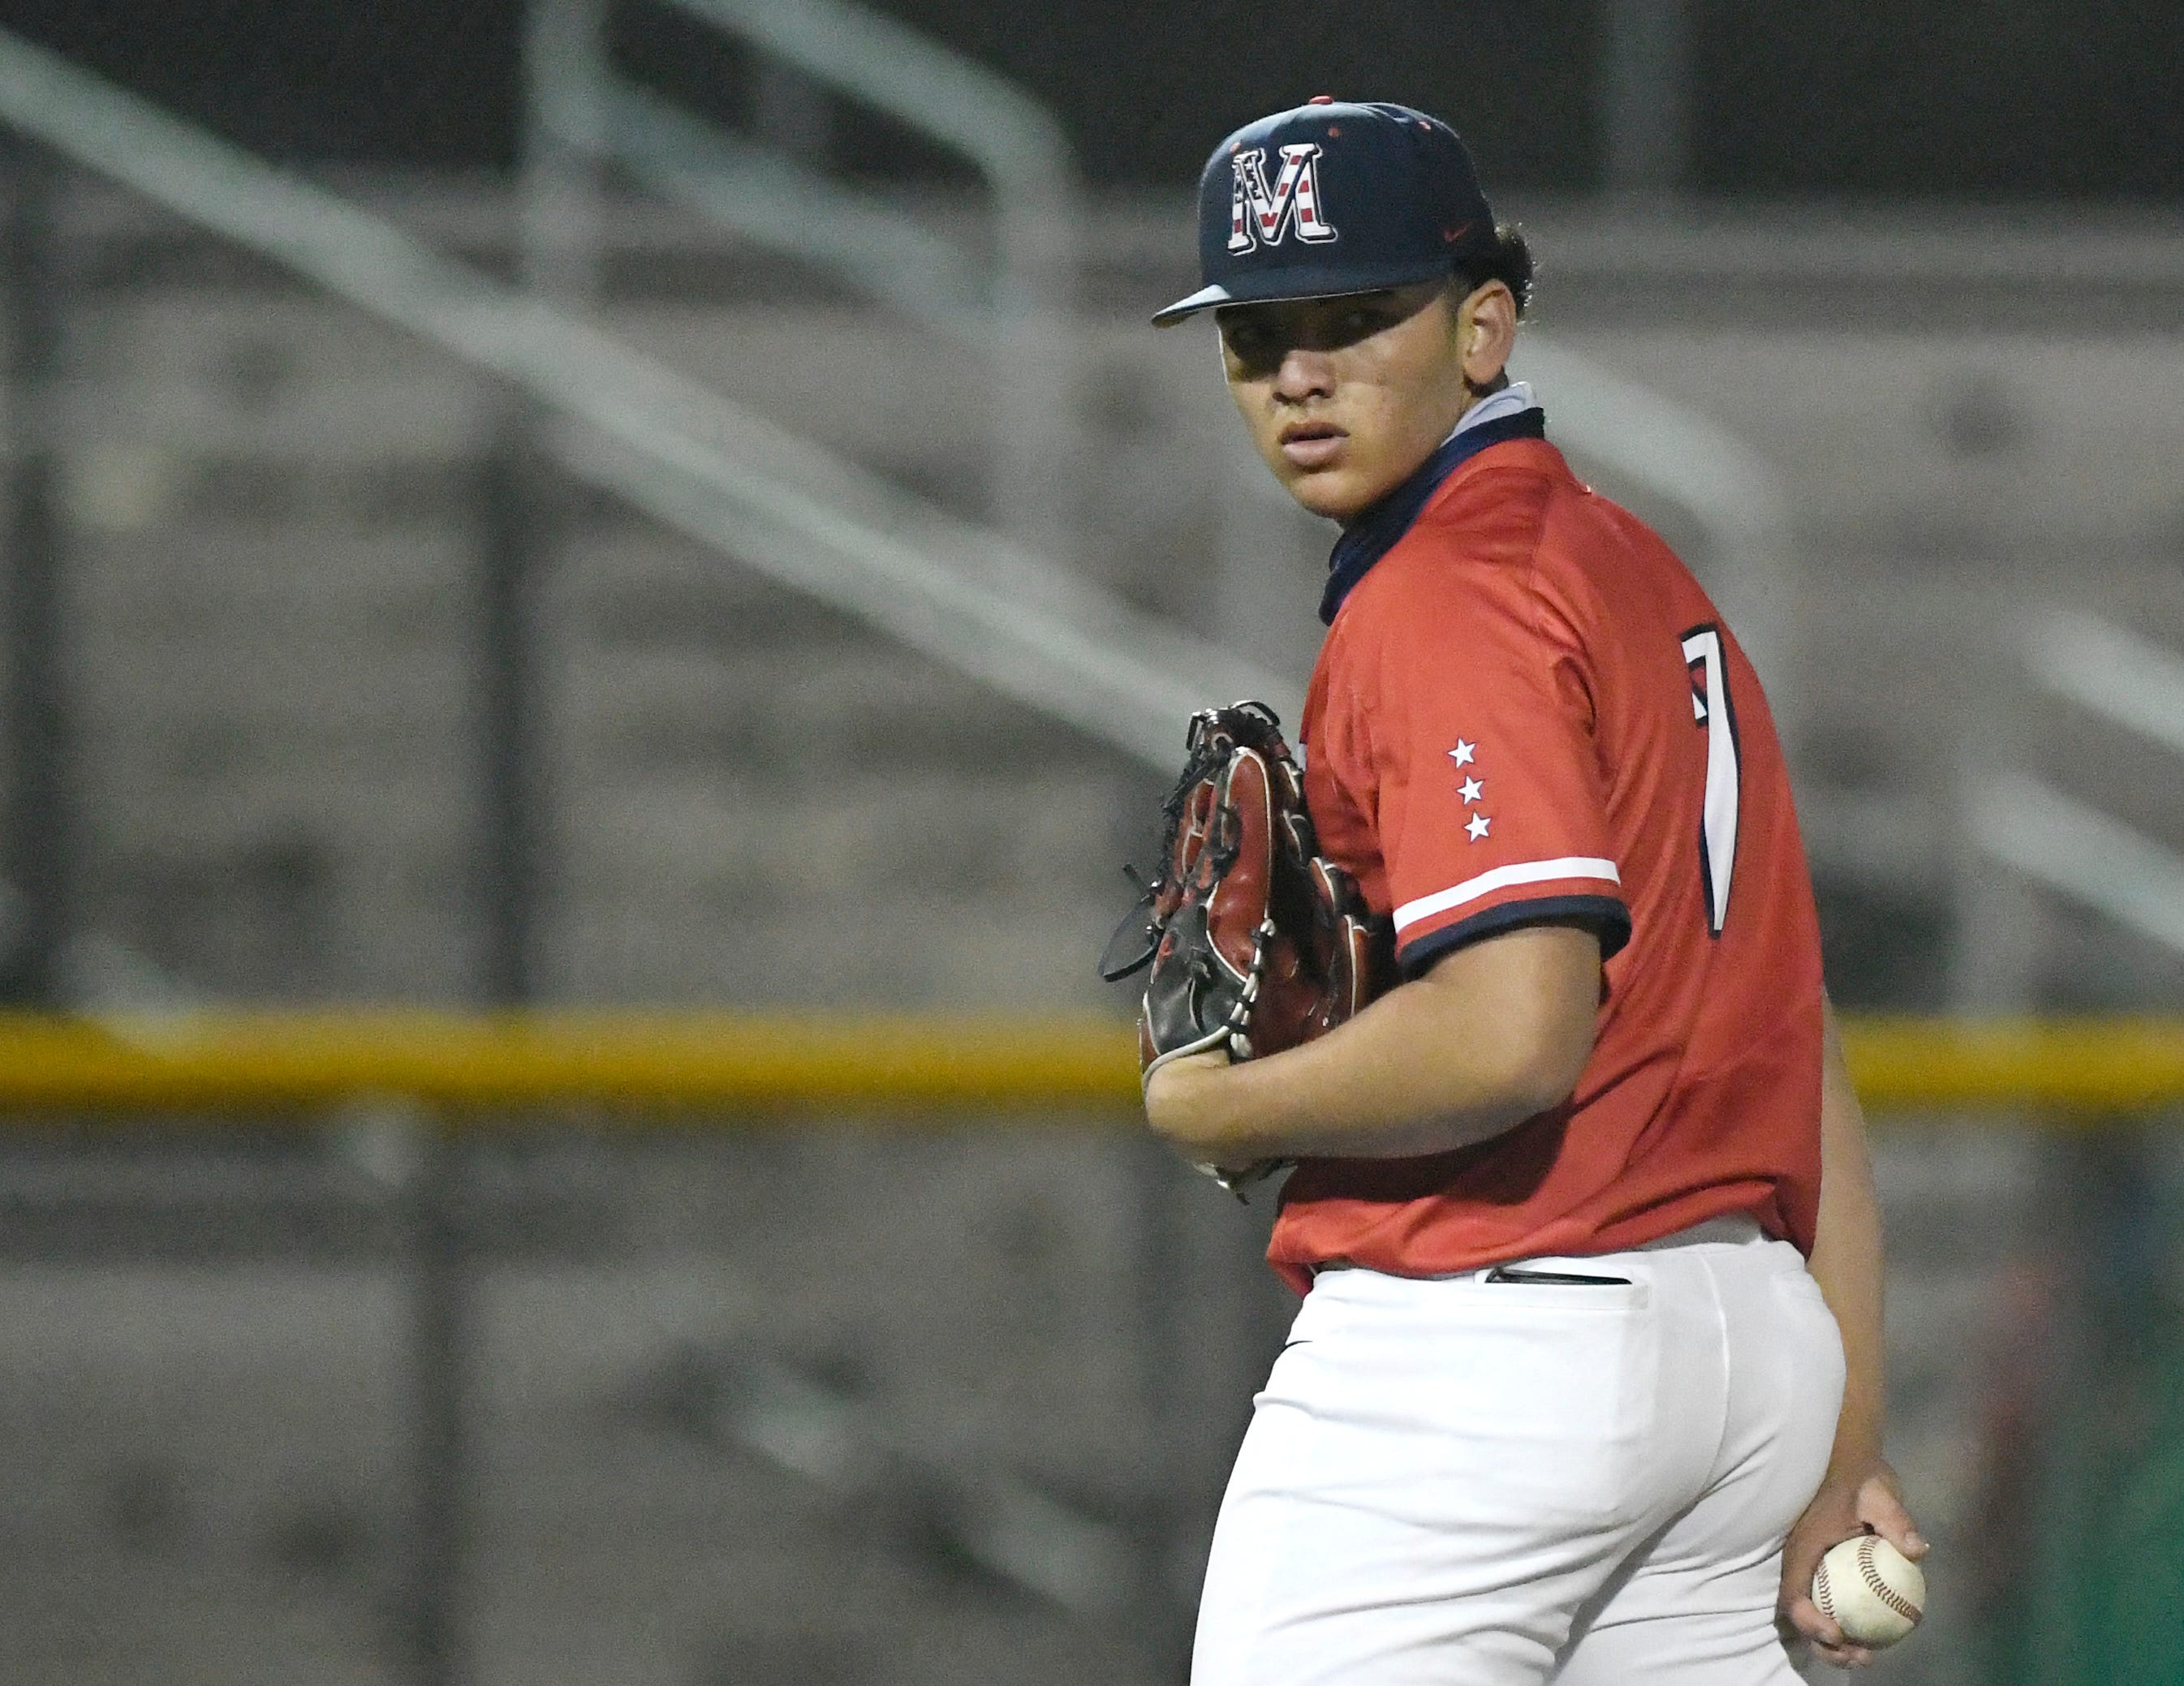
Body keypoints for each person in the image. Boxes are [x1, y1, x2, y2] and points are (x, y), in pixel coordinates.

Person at [1140, 98, 1928, 1683]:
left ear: (1481, 327)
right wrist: (1838, 1433)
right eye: (1255, 335)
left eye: (1353, 318)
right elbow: (1798, 1045)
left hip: (1495, 1348)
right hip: (1743, 1360)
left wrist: (1214, 1104)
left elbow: (1513, 1033)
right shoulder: (1641, 573)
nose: (1298, 374)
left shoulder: (1446, 596)